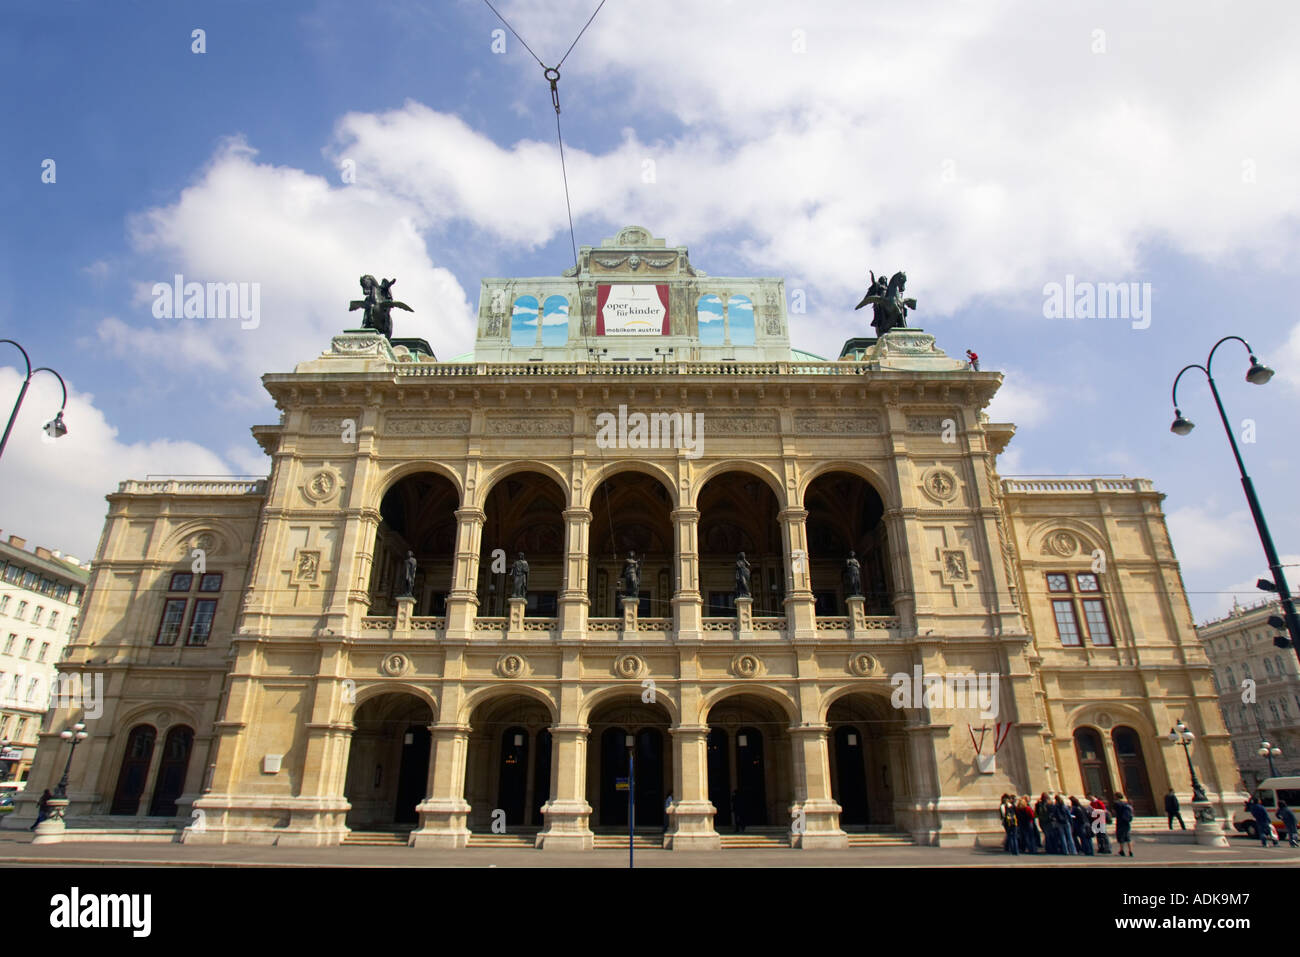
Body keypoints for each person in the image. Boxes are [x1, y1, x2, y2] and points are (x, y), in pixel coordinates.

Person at [1113, 792, 1135, 857]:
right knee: (1127, 837)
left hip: (1120, 821)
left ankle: (1121, 850)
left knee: (1121, 837)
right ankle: (1130, 851)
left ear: (1116, 797)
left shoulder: (1116, 803)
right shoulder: (1126, 804)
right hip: (1126, 822)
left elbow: (1114, 811)